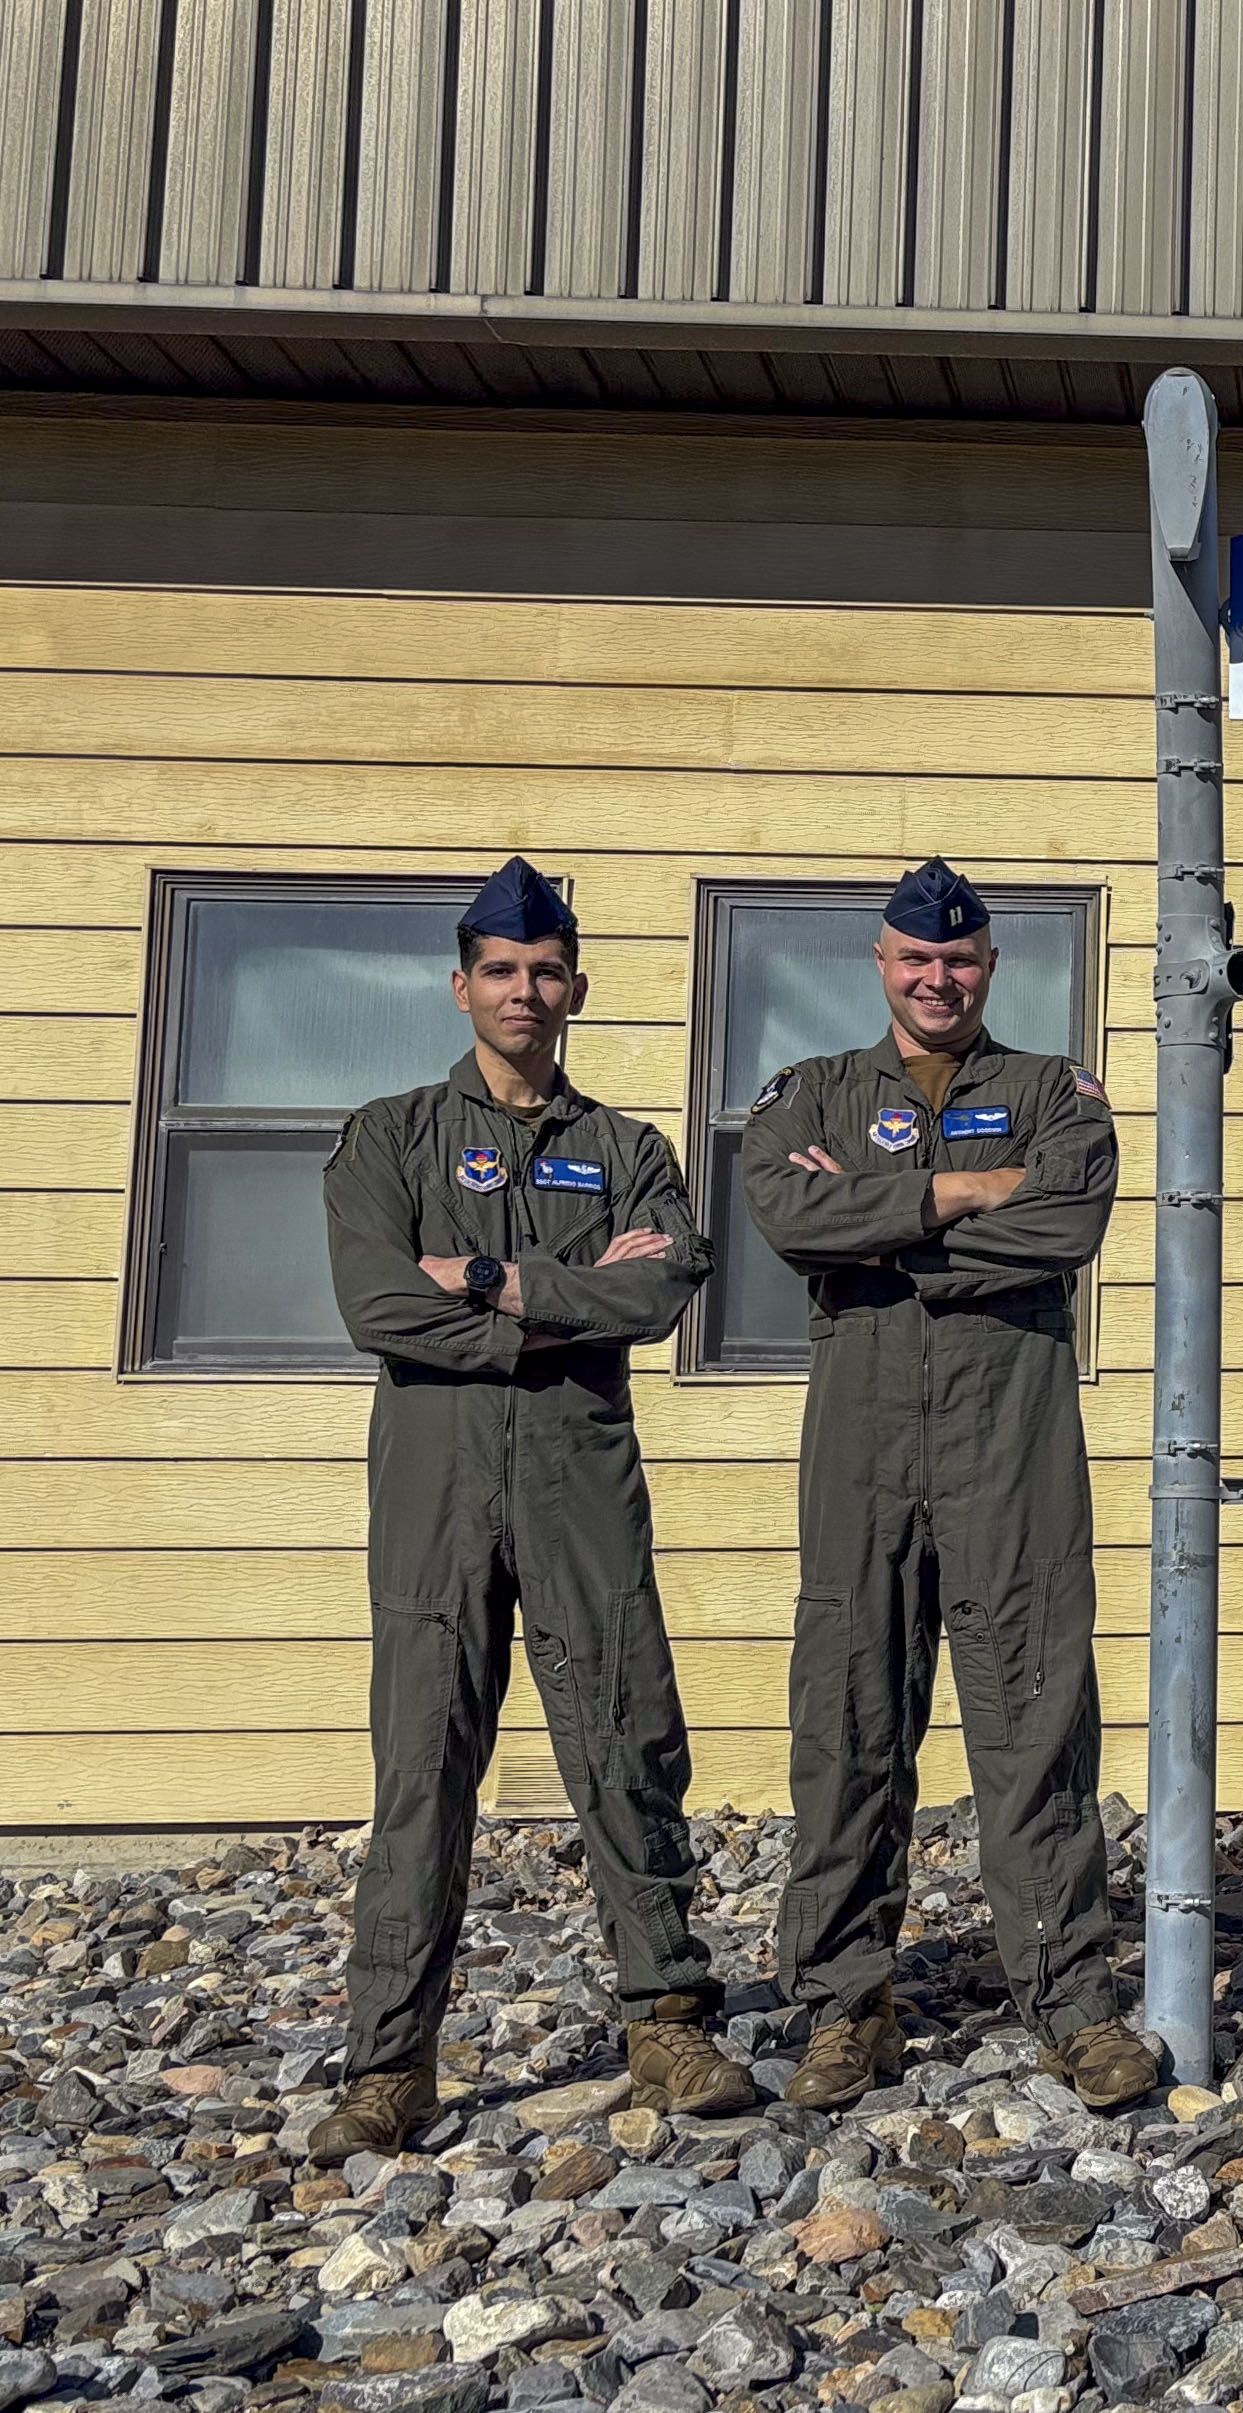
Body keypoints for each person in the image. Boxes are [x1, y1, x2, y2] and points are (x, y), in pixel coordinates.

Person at [309, 857, 756, 2163]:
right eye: (500, 971)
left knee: (627, 1742)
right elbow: (377, 1305)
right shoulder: (388, 1136)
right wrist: (558, 1300)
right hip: (435, 1490)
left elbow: (661, 1289)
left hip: (578, 1483)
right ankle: (392, 2062)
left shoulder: (626, 1150)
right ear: (461, 988)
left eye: (546, 969)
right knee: (423, 1767)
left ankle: (669, 2018)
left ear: (576, 987)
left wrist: (492, 1275)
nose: (524, 989)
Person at [743, 859, 1153, 2111]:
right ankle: (841, 2003)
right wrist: (961, 1193)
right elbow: (782, 1215)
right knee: (851, 1710)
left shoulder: (1051, 1092)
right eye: (915, 960)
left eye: (961, 960)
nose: (938, 978)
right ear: (880, 964)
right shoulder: (809, 1091)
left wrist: (876, 1222)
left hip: (1009, 1431)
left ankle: (1070, 1999)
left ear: (990, 968)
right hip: (861, 1436)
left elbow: (1067, 1221)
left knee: (1033, 1710)